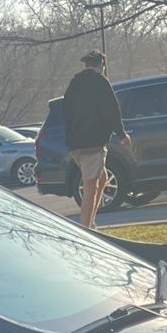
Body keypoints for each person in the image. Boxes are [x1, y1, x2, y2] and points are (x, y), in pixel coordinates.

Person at [59, 51, 132, 230]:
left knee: (103, 176)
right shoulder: (100, 82)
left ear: (86, 65)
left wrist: (69, 138)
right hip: (92, 145)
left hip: (75, 145)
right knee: (90, 187)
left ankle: (90, 222)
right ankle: (86, 228)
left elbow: (65, 111)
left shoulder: (74, 83)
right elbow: (111, 111)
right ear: (101, 65)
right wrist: (122, 134)